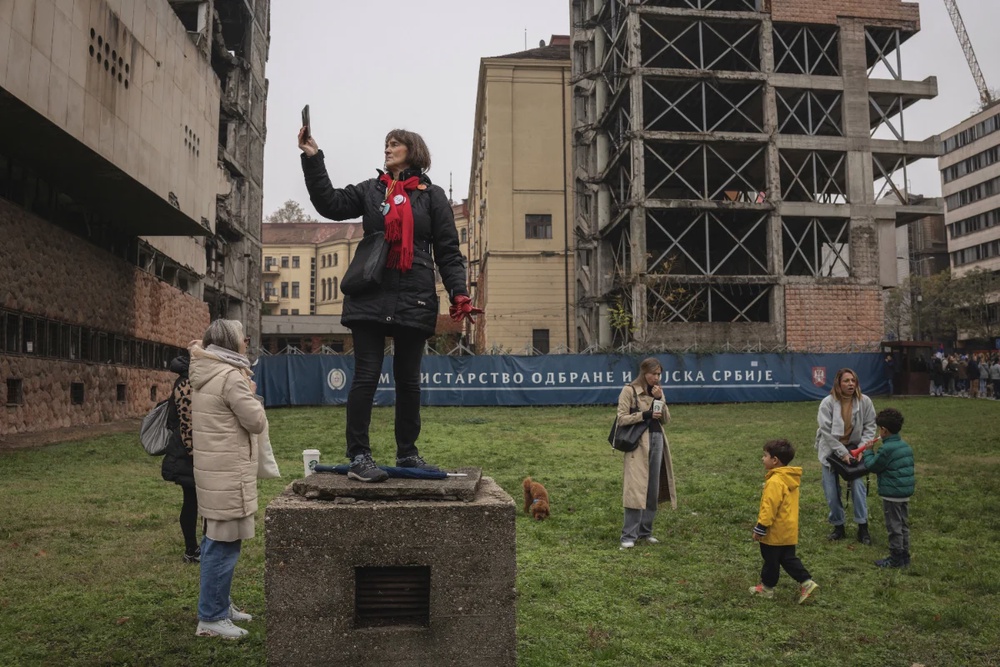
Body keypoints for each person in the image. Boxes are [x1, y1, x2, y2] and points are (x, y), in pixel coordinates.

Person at [299, 128, 477, 483]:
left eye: (395, 144)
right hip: (371, 291)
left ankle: (408, 454)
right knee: (366, 375)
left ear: (414, 151)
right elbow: (330, 204)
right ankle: (360, 457)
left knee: (409, 380)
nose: (388, 148)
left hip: (416, 295)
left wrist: (459, 292)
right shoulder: (370, 190)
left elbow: (448, 251)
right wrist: (312, 158)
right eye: (386, 144)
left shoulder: (433, 196)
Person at [190, 320, 267, 640]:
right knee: (223, 547)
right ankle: (212, 616)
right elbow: (256, 421)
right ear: (229, 343)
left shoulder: (206, 370)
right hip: (228, 473)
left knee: (216, 542)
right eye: (242, 337)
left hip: (214, 472)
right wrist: (252, 394)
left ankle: (219, 604)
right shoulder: (231, 377)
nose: (246, 342)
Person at [616, 357, 676, 550]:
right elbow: (621, 419)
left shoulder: (658, 391)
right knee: (635, 488)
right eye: (654, 374)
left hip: (657, 439)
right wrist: (645, 414)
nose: (657, 378)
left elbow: (666, 419)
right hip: (637, 443)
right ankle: (628, 535)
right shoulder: (629, 390)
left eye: (659, 374)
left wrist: (660, 400)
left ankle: (645, 532)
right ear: (644, 373)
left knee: (652, 488)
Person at [750, 439, 819, 604]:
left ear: (775, 460)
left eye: (765, 455)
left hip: (774, 531)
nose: (762, 459)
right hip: (789, 529)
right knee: (788, 558)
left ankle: (767, 588)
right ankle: (806, 582)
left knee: (771, 560)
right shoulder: (790, 478)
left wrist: (761, 528)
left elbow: (769, 507)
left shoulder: (774, 481)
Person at [815, 368, 876, 544]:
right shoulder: (827, 403)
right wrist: (842, 453)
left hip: (855, 451)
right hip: (831, 451)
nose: (850, 384)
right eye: (846, 381)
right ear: (838, 383)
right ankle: (838, 526)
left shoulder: (865, 402)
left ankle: (862, 527)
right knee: (832, 492)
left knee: (858, 487)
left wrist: (860, 449)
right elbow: (826, 432)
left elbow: (870, 426)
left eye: (853, 381)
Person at [859, 408, 915, 568]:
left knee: (894, 526)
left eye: (879, 429)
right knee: (903, 524)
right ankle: (905, 556)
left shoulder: (886, 449)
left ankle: (896, 558)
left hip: (892, 494)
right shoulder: (904, 445)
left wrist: (868, 452)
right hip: (904, 492)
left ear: (884, 430)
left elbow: (873, 466)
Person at [160, 352, 199, 563]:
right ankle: (192, 549)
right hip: (189, 453)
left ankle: (194, 549)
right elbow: (187, 425)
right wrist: (197, 455)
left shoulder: (185, 379)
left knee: (193, 501)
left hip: (186, 451)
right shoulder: (187, 382)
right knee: (193, 501)